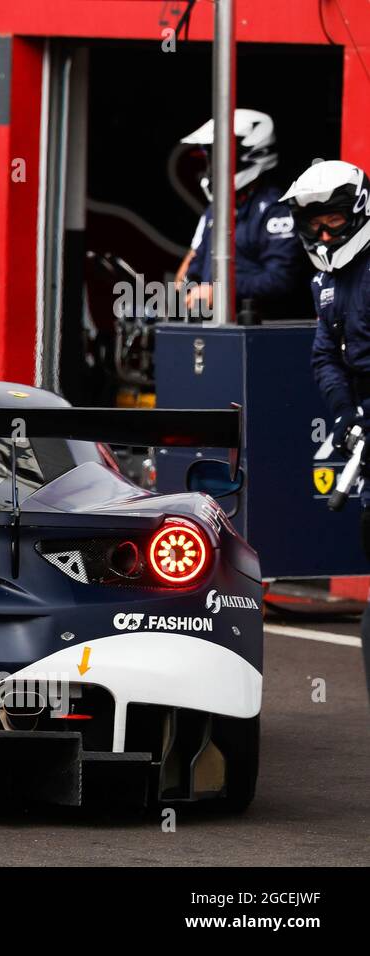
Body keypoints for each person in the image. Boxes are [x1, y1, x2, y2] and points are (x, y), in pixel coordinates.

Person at [285, 159, 370, 695]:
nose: (322, 232)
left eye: (333, 220)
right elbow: (325, 356)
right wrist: (346, 415)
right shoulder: (328, 280)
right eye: (313, 222)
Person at [175, 109, 309, 321]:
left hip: (260, 331)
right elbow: (197, 267)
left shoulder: (276, 209)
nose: (212, 168)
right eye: (211, 158)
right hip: (213, 326)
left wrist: (221, 290)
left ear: (251, 154)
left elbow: (281, 279)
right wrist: (191, 289)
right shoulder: (216, 210)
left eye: (220, 157)